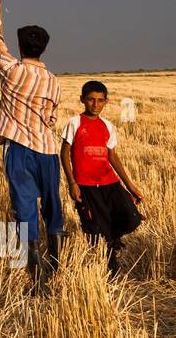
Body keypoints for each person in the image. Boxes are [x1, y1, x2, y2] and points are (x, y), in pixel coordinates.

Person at [0, 0, 63, 290]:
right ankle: (56, 261)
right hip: (47, 150)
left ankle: (36, 270)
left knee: (25, 204)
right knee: (52, 204)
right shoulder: (54, 81)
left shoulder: (12, 71)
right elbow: (53, 117)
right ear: (43, 48)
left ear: (20, 47)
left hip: (19, 149)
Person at [60, 81, 144, 276]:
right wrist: (72, 183)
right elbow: (64, 153)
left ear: (106, 102)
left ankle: (111, 239)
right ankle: (110, 266)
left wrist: (129, 185)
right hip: (86, 185)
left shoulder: (108, 126)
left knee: (131, 219)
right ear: (82, 100)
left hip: (110, 181)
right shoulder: (74, 123)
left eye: (100, 101)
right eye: (90, 100)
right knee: (98, 225)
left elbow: (112, 156)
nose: (95, 105)